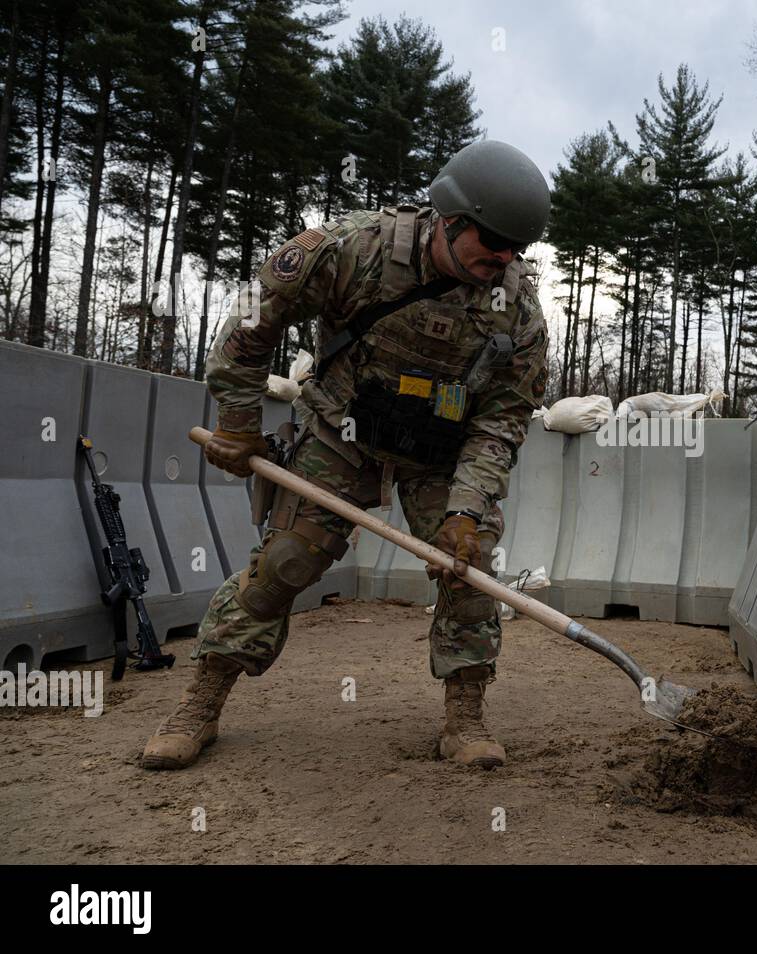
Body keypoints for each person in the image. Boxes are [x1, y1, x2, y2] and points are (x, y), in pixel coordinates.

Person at [142, 140, 550, 772]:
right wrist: (241, 422)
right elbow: (253, 321)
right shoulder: (350, 249)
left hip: (441, 452)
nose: (502, 258)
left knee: (470, 570)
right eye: (493, 240)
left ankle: (463, 719)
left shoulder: (516, 306)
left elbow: (503, 417)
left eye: (515, 248)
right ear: (450, 217)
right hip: (341, 429)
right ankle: (199, 704)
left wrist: (467, 510)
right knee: (285, 561)